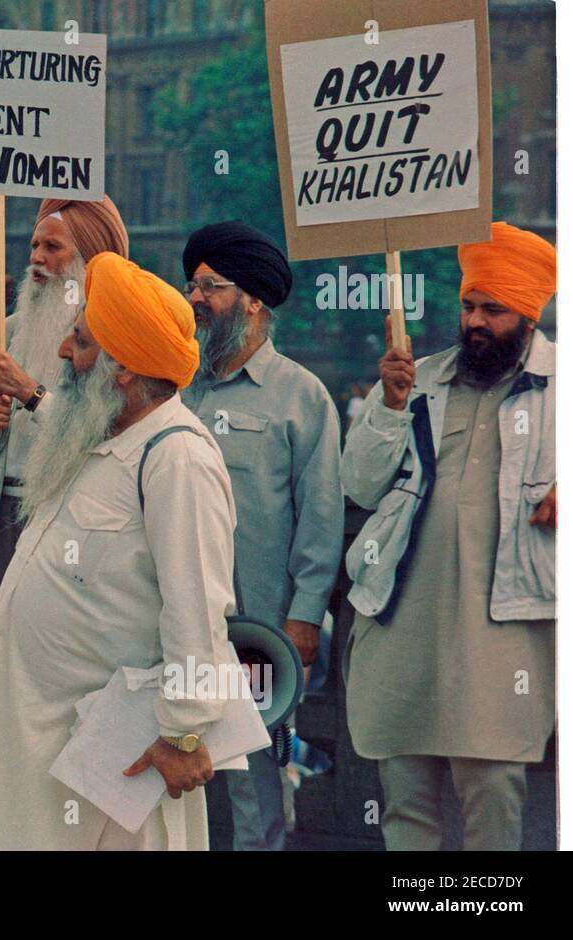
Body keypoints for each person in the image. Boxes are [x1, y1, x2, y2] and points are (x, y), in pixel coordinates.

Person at [0, 252, 239, 850]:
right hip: (29, 730)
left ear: (122, 370)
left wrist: (183, 734)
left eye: (82, 343)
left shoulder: (177, 458)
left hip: (108, 747)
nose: (64, 352)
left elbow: (197, 610)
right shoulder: (99, 434)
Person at [342, 221, 556, 851]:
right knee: (404, 793)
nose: (476, 322)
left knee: (492, 789)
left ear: (529, 312)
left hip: (505, 630)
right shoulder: (420, 379)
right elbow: (358, 485)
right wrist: (387, 403)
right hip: (405, 616)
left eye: (494, 309)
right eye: (468, 306)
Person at [180, 221, 344, 851]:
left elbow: (322, 517)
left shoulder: (303, 397)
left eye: (209, 286)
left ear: (253, 299)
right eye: (191, 285)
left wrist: (303, 619)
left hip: (259, 630)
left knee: (256, 778)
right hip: (168, 617)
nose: (194, 298)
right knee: (161, 767)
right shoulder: (173, 385)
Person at [0, 195, 129, 706]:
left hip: (67, 529)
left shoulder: (115, 343)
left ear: (88, 260)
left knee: (48, 693)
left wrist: (31, 394)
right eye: (33, 246)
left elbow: (106, 436)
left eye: (53, 247)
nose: (37, 258)